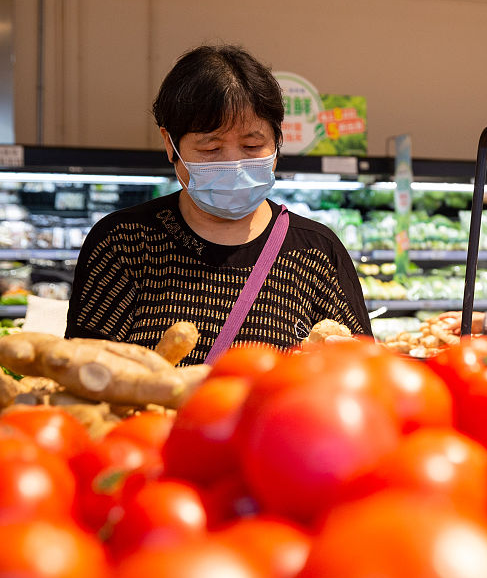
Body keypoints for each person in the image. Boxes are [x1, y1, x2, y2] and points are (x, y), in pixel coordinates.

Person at [66, 44, 371, 364]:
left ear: (277, 143)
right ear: (170, 145)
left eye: (252, 145)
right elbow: (84, 374)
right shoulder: (125, 241)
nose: (234, 163)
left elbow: (363, 373)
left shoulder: (316, 251)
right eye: (210, 148)